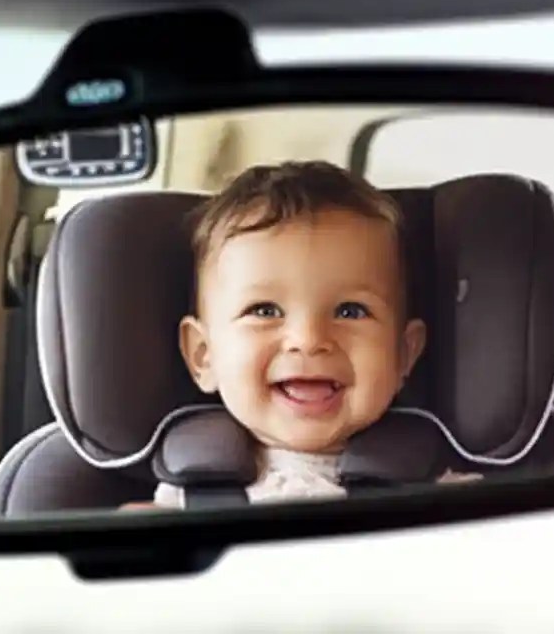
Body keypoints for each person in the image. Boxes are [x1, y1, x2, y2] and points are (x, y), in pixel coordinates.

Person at [121, 160, 480, 512]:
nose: (308, 339)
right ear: (203, 354)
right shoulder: (179, 506)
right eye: (264, 311)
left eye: (350, 311)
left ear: (403, 354)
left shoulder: (445, 503)